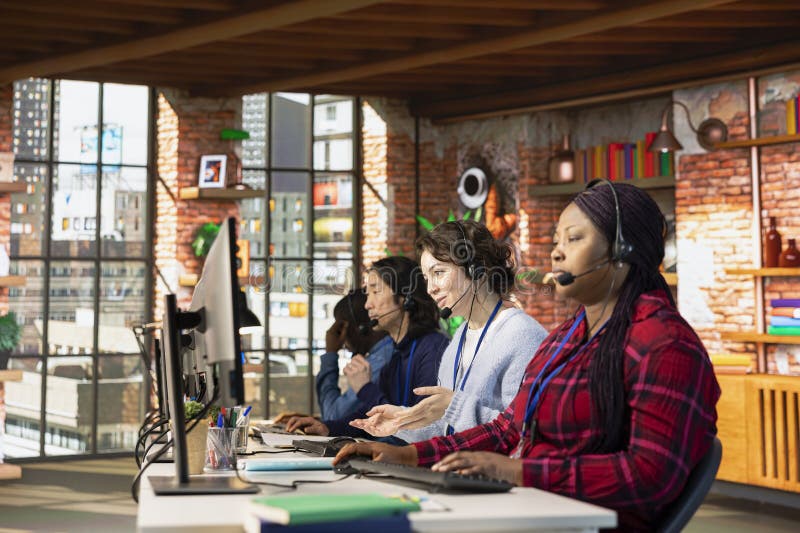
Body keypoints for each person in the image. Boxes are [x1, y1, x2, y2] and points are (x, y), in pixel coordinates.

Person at [335, 180, 721, 531]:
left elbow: (650, 476)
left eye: (573, 239)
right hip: (534, 509)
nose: (556, 252)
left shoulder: (665, 345)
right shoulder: (567, 339)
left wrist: (519, 471)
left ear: (623, 250)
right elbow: (509, 428)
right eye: (557, 239)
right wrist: (408, 456)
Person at [349, 220, 547, 442]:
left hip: (494, 474)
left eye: (439, 272)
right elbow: (446, 429)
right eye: (426, 278)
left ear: (477, 268)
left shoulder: (523, 337)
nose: (431, 288)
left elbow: (524, 433)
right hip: (455, 470)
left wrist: (454, 405)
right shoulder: (459, 339)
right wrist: (402, 421)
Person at [286, 256, 449, 437]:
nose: (367, 304)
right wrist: (327, 428)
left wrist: (364, 388)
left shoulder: (433, 349)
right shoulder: (398, 353)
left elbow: (421, 428)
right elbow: (372, 418)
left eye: (375, 292)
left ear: (406, 297)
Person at [316, 288, 394, 421]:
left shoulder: (380, 360)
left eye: (340, 328)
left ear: (358, 328)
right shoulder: (387, 351)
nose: (340, 337)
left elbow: (332, 416)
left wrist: (330, 354)